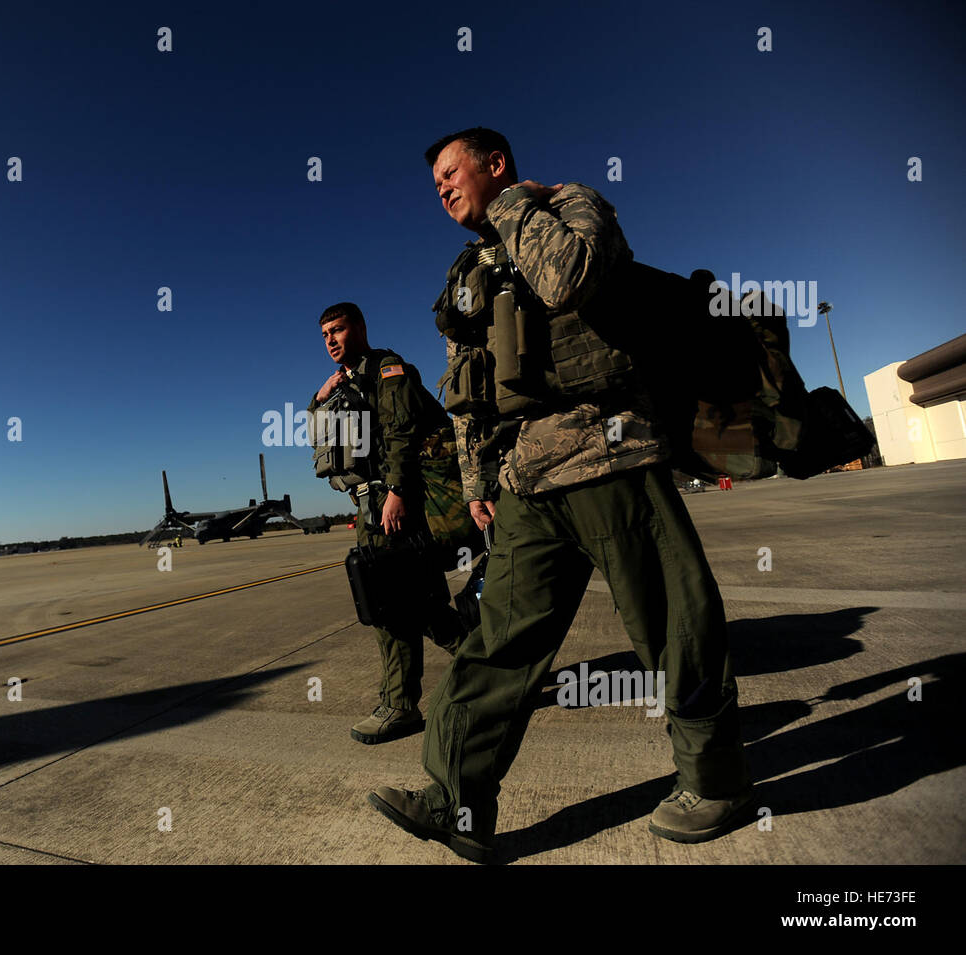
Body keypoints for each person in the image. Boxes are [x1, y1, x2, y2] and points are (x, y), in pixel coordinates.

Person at [367, 128, 753, 863]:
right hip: (529, 478)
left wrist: (515, 206)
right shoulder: (468, 272)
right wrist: (479, 479)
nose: (443, 189)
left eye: (453, 173)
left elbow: (568, 277)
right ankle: (457, 804)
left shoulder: (572, 205)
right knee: (495, 644)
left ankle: (717, 780)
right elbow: (464, 389)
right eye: (436, 183)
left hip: (608, 451)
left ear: (496, 164)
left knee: (673, 627)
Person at [310, 302, 465, 744]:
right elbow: (322, 436)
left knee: (391, 605)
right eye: (325, 335)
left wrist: (396, 492)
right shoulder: (345, 383)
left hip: (394, 506)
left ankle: (399, 706)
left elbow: (401, 431)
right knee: (418, 600)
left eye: (337, 330)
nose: (331, 341)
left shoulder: (386, 370)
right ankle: (488, 665)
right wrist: (319, 398)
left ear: (359, 327)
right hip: (370, 506)